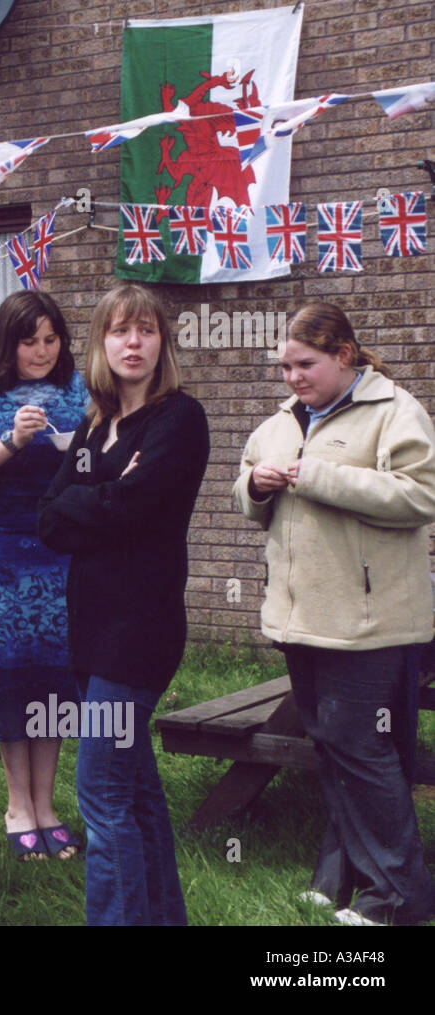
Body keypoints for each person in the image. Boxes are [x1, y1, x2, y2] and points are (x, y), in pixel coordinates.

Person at [233, 302, 435, 926]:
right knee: (333, 747)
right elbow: (244, 494)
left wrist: (314, 475)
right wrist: (258, 487)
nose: (292, 377)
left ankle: (400, 900)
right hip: (301, 621)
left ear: (344, 355)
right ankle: (341, 875)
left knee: (364, 750)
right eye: (285, 366)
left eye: (306, 364)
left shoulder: (395, 411)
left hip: (370, 626)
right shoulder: (278, 423)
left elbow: (419, 495)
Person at [37, 284, 208, 926]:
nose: (131, 343)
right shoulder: (93, 424)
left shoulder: (178, 419)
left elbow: (136, 507)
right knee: (135, 793)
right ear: (101, 343)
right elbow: (50, 520)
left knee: (100, 797)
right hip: (89, 627)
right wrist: (113, 487)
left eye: (144, 331)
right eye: (118, 331)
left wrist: (101, 498)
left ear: (161, 342)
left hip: (138, 634)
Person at [0, 290, 89, 861]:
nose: (42, 351)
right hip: (3, 548)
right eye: (30, 341)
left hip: (64, 545)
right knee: (11, 670)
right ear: (9, 341)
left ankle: (47, 804)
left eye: (51, 339)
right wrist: (11, 441)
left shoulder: (80, 387)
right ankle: (16, 805)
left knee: (54, 670)